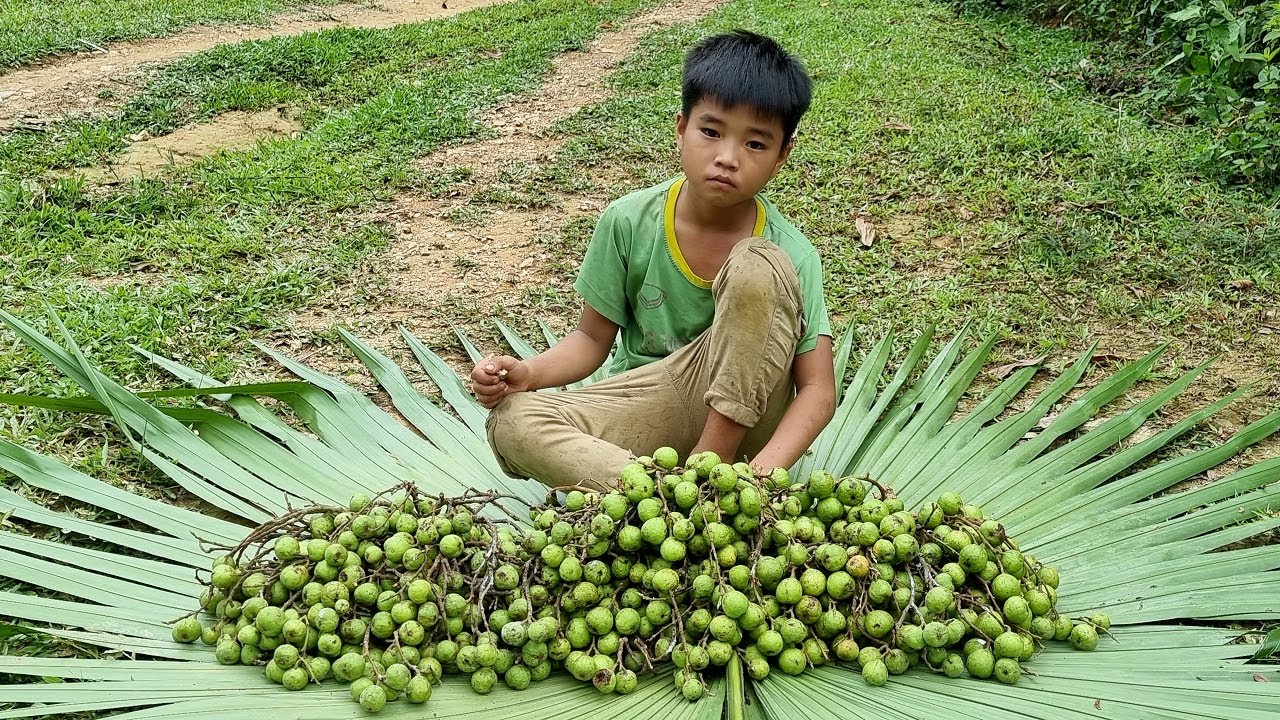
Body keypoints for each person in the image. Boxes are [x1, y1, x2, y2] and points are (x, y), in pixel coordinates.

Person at [471, 30, 834, 489]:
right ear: (681, 129)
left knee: (758, 264)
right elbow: (590, 338)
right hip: (646, 407)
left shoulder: (792, 253)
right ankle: (662, 495)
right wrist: (530, 373)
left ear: (783, 155)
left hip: (746, 428)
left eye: (755, 144)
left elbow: (818, 390)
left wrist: (761, 476)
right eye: (711, 131)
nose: (728, 157)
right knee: (513, 420)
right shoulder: (628, 222)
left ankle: (710, 468)